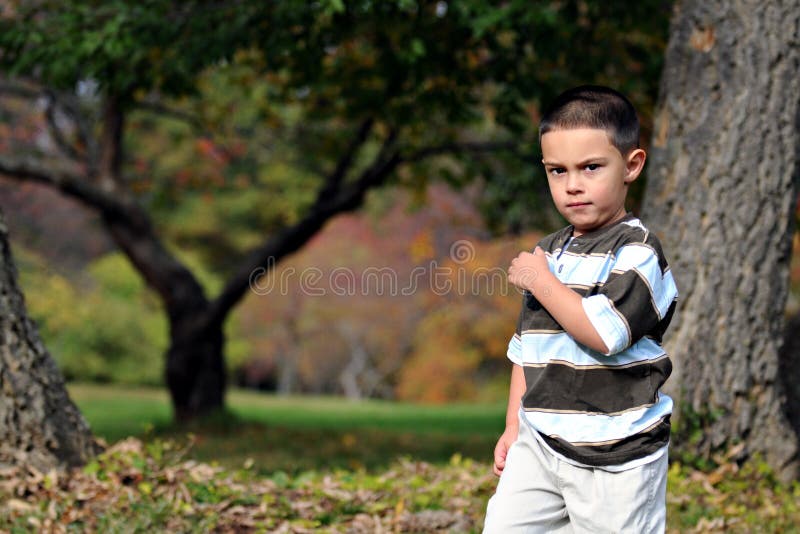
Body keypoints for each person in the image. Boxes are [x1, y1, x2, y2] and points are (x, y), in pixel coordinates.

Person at [482, 85, 679, 533]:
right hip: (541, 442)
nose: (572, 185)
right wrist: (513, 426)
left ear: (631, 166)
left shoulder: (638, 252)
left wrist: (541, 281)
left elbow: (605, 334)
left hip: (618, 452)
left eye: (591, 167)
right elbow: (527, 349)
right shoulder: (549, 252)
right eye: (558, 170)